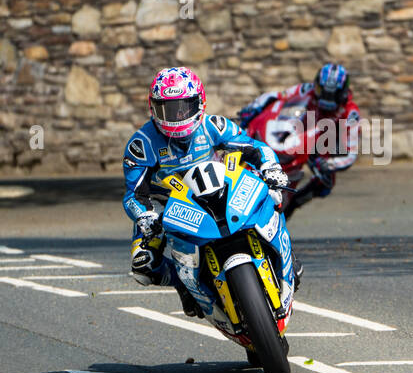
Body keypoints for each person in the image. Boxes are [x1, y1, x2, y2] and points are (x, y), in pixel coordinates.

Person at [124, 67, 291, 317]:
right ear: (153, 108)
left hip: (219, 188)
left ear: (200, 103)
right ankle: (184, 285)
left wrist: (271, 167)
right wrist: (145, 217)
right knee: (143, 264)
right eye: (168, 109)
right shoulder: (141, 144)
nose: (177, 116)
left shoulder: (214, 125)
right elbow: (134, 194)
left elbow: (255, 147)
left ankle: (284, 258)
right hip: (168, 204)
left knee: (273, 195)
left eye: (184, 107)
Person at [238, 63, 361, 217]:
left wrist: (329, 164)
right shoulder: (307, 89)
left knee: (325, 183)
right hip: (300, 132)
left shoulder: (351, 114)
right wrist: (253, 107)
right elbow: (276, 95)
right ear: (317, 85)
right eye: (321, 92)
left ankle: (292, 204)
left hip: (325, 145)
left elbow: (351, 155)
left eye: (332, 95)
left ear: (343, 93)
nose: (325, 99)